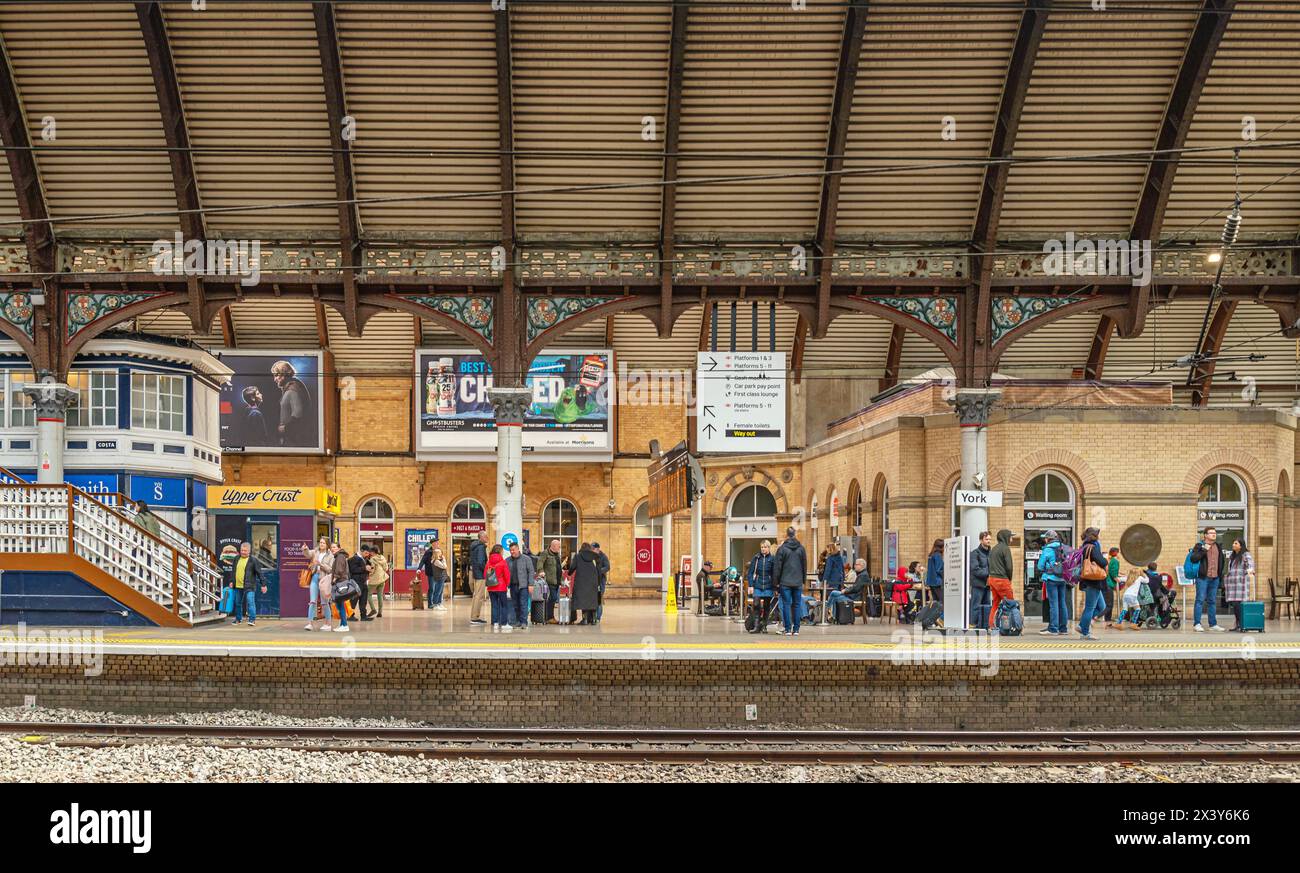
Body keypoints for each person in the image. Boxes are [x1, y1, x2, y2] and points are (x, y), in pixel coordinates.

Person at [1189, 526, 1227, 632]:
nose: (1214, 534)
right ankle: (1197, 623)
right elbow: (1193, 558)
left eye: (1215, 533)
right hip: (1203, 578)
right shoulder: (1199, 546)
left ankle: (1213, 624)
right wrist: (1203, 550)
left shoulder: (1218, 546)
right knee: (1200, 600)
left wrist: (1219, 574)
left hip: (1215, 578)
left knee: (1212, 601)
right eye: (1211, 533)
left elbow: (1222, 561)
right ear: (1205, 535)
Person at [772, 527, 808, 636]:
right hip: (797, 581)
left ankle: (787, 629)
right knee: (796, 605)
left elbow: (777, 567)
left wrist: (776, 583)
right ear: (795, 534)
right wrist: (803, 579)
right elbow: (804, 565)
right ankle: (796, 629)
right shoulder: (801, 549)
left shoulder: (782, 549)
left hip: (785, 582)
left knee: (786, 605)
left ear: (787, 535)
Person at [1075, 526, 1109, 640]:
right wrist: (1105, 560)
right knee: (1090, 607)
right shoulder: (1092, 547)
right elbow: (1102, 561)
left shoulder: (1084, 546)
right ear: (1094, 535)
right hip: (1093, 581)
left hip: (1090, 580)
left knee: (1102, 606)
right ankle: (1085, 632)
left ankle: (1082, 625)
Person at [224, 541, 267, 626]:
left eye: (245, 550)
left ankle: (252, 620)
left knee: (250, 602)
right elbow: (233, 572)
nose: (243, 552)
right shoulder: (236, 558)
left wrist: (263, 585)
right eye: (242, 550)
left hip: (249, 586)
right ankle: (238, 619)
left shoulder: (253, 560)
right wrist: (231, 581)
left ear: (249, 551)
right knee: (238, 603)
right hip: (238, 586)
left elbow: (259, 573)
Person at [271, 360, 312, 447]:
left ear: (284, 374)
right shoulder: (291, 387)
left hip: (293, 440)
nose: (275, 379)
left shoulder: (292, 389)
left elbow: (298, 414)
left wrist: (285, 428)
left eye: (276, 375)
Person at [1036, 529, 1069, 636]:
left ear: (1048, 539)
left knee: (1053, 604)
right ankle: (1063, 629)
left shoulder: (1048, 549)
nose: (1045, 540)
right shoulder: (1063, 547)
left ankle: (1053, 629)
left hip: (1051, 579)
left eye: (1045, 538)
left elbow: (1040, 566)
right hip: (1063, 579)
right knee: (1062, 603)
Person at [1223, 538, 1255, 631]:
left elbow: (1250, 566)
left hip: (1241, 583)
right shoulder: (1233, 556)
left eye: (1236, 543)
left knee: (1238, 604)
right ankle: (1237, 623)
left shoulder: (1246, 555)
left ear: (1241, 545)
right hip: (1233, 583)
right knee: (1234, 603)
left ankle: (1241, 623)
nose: (1233, 544)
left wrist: (1249, 572)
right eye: (1233, 543)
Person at [987, 529, 1014, 631]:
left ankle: (991, 626)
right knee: (1010, 603)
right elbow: (1009, 566)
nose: (1011, 539)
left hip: (992, 579)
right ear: (1005, 537)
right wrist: (1009, 578)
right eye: (1010, 537)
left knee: (995, 603)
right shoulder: (1005, 548)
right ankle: (1012, 626)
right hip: (1002, 580)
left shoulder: (993, 549)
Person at [569, 542, 602, 625]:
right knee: (593, 600)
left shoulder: (578, 556)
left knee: (583, 600)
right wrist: (599, 582)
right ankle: (594, 620)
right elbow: (599, 570)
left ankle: (585, 620)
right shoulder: (595, 557)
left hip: (581, 582)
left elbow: (572, 567)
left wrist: (569, 573)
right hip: (593, 582)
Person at [746, 541, 775, 633]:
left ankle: (764, 626)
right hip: (757, 585)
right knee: (756, 604)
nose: (763, 549)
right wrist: (750, 585)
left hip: (768, 585)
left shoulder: (772, 559)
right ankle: (756, 626)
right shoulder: (756, 558)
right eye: (762, 547)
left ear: (769, 548)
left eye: (765, 547)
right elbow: (750, 572)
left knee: (767, 606)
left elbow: (775, 574)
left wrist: (775, 587)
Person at [303, 536, 332, 630]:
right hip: (315, 577)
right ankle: (310, 623)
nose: (321, 544)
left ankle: (328, 623)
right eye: (320, 542)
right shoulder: (315, 552)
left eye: (323, 543)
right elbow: (308, 554)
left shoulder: (330, 556)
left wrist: (321, 564)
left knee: (324, 602)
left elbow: (330, 569)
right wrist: (305, 549)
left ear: (327, 545)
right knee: (312, 601)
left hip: (324, 579)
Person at [507, 541, 536, 629]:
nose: (512, 552)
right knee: (515, 605)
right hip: (512, 585)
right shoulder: (507, 560)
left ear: (518, 549)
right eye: (510, 550)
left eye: (513, 550)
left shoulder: (526, 559)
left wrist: (531, 584)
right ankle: (517, 621)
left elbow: (531, 572)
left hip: (523, 586)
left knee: (523, 604)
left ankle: (524, 622)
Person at [485, 543, 512, 632]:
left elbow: (485, 574)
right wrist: (507, 584)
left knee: (494, 605)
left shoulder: (489, 562)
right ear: (500, 551)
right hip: (501, 587)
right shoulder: (502, 562)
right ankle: (504, 623)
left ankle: (495, 623)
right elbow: (507, 575)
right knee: (504, 605)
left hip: (491, 587)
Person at [969, 531, 992, 629]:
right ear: (981, 540)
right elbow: (975, 570)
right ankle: (973, 624)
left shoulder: (991, 553)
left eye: (990, 539)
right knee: (976, 606)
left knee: (987, 606)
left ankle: (985, 625)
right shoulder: (975, 553)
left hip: (988, 584)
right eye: (986, 539)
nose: (988, 541)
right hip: (978, 584)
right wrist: (989, 572)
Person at [536, 539, 561, 624]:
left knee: (553, 599)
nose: (559, 548)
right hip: (549, 581)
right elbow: (540, 563)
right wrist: (541, 571)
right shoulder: (545, 553)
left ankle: (548, 616)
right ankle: (549, 617)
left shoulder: (557, 555)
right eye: (559, 546)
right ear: (553, 546)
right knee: (552, 598)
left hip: (556, 581)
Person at [329, 542, 351, 631]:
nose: (332, 549)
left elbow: (339, 570)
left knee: (340, 604)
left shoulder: (340, 556)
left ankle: (344, 625)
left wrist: (334, 579)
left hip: (340, 582)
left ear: (339, 548)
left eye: (334, 547)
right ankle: (342, 624)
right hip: (341, 582)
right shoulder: (339, 556)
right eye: (331, 547)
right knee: (340, 604)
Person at [468, 531, 489, 626]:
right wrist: (486, 571)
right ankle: (475, 618)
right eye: (485, 536)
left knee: (476, 595)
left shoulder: (474, 546)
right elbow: (481, 562)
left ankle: (474, 616)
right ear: (481, 537)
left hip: (474, 573)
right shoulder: (481, 547)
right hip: (480, 574)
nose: (487, 538)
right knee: (479, 597)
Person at [364, 545, 389, 619]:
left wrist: (369, 574)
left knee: (368, 594)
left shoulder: (372, 560)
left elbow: (372, 570)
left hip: (375, 579)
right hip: (382, 578)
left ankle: (373, 609)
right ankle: (380, 612)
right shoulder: (383, 558)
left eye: (370, 552)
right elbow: (386, 568)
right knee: (380, 595)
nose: (370, 553)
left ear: (372, 552)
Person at [423, 545, 448, 611]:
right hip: (439, 577)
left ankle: (439, 604)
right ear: (437, 554)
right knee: (437, 591)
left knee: (440, 591)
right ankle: (436, 604)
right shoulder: (436, 561)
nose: (441, 554)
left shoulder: (436, 560)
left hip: (440, 577)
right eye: (440, 553)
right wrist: (444, 559)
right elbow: (445, 566)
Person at [348, 547, 370, 621]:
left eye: (368, 553)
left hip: (363, 582)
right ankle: (350, 615)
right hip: (356, 582)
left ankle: (363, 616)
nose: (367, 555)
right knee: (354, 600)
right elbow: (353, 570)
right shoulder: (354, 558)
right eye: (366, 553)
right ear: (361, 551)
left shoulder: (364, 559)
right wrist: (365, 568)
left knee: (363, 600)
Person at [592, 542, 611, 623]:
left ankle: (598, 618)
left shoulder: (603, 557)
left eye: (593, 549)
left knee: (599, 600)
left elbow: (607, 567)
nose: (592, 550)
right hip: (592, 582)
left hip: (600, 582)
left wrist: (599, 571)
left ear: (597, 549)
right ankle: (593, 617)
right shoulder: (591, 556)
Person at [1103, 546, 1121, 623]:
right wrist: (1116, 578)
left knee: (1108, 603)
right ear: (1115, 553)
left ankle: (1108, 618)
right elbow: (1113, 572)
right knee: (1110, 604)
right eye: (1118, 552)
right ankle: (1099, 617)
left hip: (1106, 583)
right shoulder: (1115, 561)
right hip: (1109, 584)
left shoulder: (1110, 560)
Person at [925, 539, 944, 607]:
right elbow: (939, 569)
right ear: (941, 547)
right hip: (937, 582)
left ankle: (937, 617)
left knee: (936, 603)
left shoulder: (931, 555)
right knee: (942, 603)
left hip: (931, 582)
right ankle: (941, 617)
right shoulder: (937, 555)